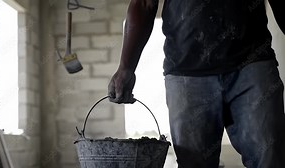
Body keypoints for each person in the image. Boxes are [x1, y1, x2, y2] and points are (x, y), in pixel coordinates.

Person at [107, 0, 285, 167]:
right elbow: (145, 3)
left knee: (270, 158)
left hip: (252, 62)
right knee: (194, 163)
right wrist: (126, 67)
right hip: (186, 72)